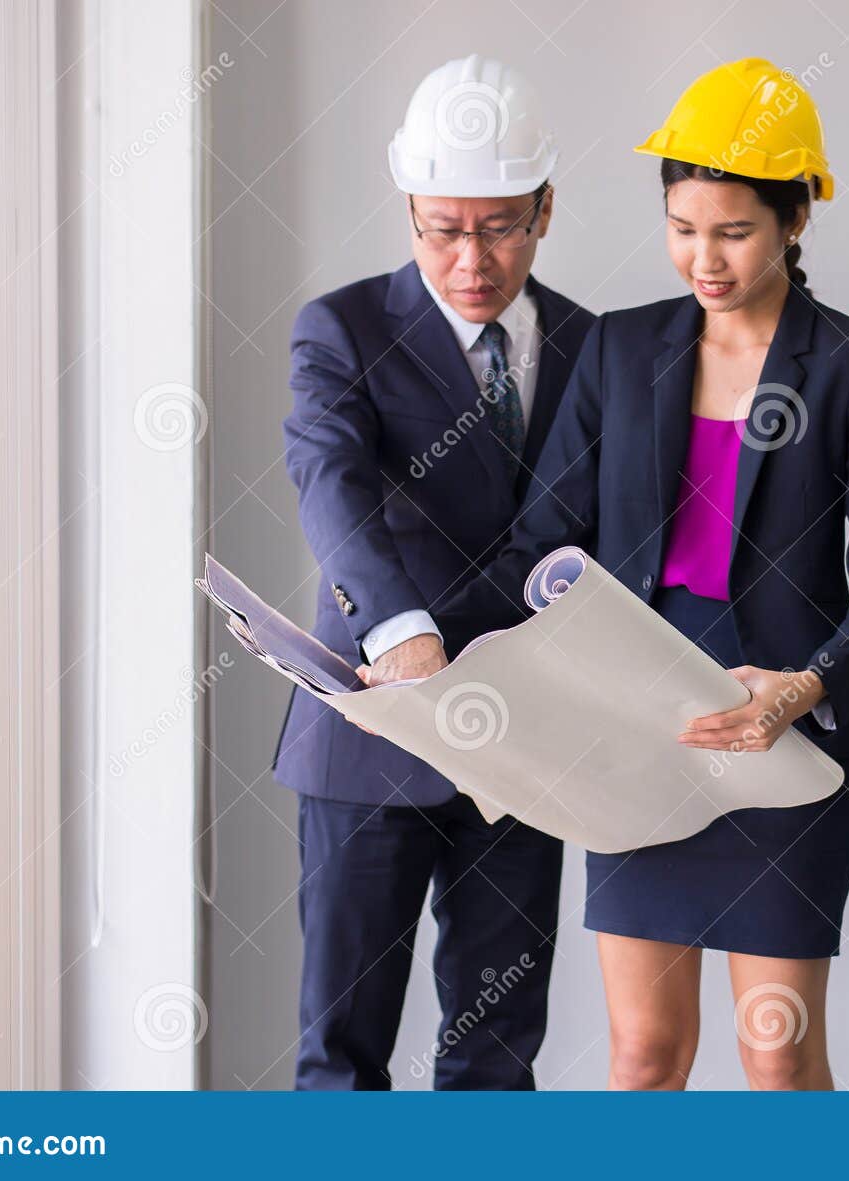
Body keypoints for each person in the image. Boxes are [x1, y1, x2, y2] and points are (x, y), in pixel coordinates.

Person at [433, 57, 849, 1090]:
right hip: (637, 743)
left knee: (777, 1050)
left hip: (784, 740)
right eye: (681, 226)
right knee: (644, 1053)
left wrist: (802, 689)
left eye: (734, 231)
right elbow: (543, 544)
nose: (701, 257)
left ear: (796, 219)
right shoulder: (621, 351)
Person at [273, 54, 595, 1089]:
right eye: (441, 228)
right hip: (374, 723)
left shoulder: (595, 347)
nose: (469, 259)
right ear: (410, 207)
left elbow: (577, 527)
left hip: (520, 736)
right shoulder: (344, 329)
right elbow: (330, 482)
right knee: (342, 1056)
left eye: (498, 225)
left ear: (544, 206)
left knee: (496, 1057)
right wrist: (399, 630)